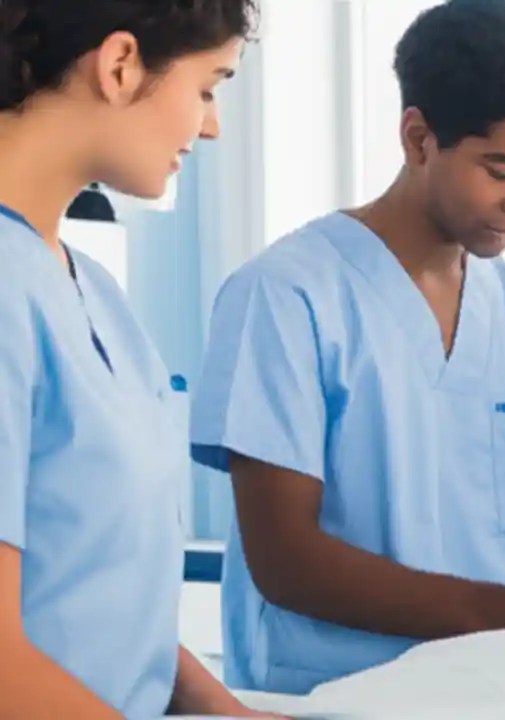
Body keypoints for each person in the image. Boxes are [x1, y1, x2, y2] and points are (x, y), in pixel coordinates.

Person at [190, 0, 505, 696]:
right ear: (418, 137)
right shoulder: (287, 296)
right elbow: (285, 559)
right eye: (501, 169)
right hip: (320, 695)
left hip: (485, 695)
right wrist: (504, 613)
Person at [0, 2, 269, 718]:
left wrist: (228, 713)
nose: (211, 125)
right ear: (120, 65)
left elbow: (99, 595)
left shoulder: (93, 291)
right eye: (209, 87)